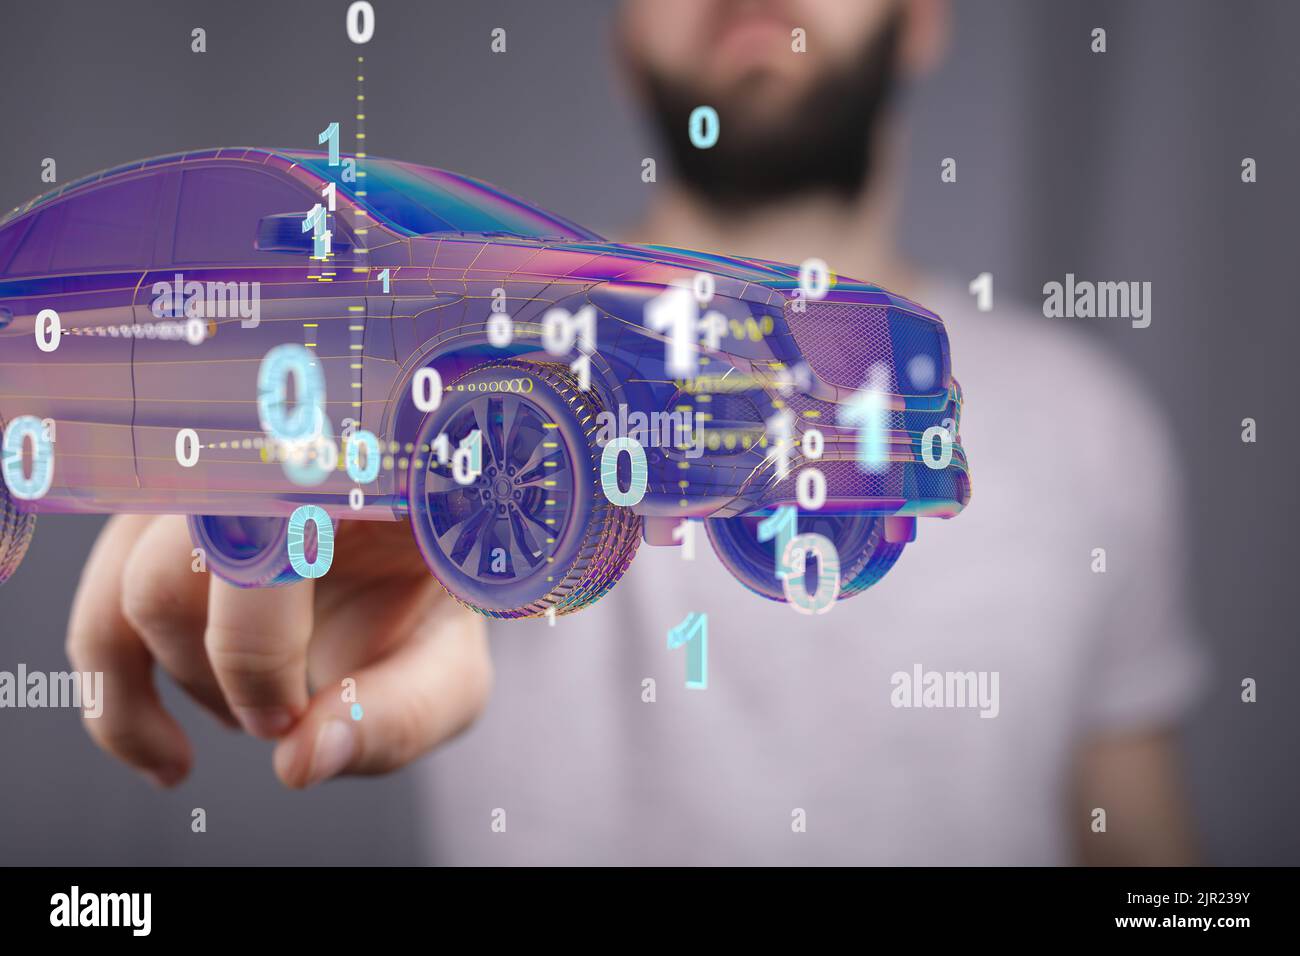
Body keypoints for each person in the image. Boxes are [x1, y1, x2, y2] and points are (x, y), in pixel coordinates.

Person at [66, 0, 1206, 864]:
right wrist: (311, 506)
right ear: (622, 40)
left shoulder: (1092, 430)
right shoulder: (497, 334)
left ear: (924, 19)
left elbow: (1144, 845)